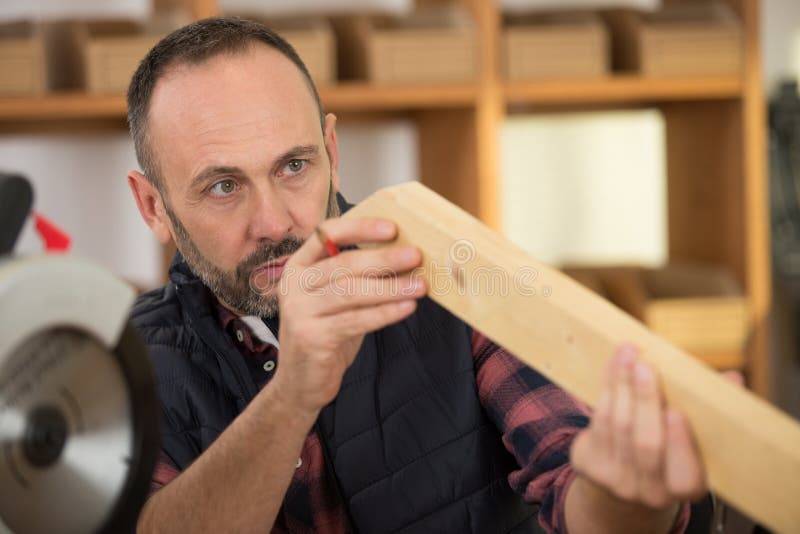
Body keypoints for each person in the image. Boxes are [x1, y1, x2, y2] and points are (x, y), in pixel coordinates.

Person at [126, 17, 712, 533]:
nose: (274, 221)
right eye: (224, 186)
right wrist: (295, 392)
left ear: (332, 149)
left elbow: (578, 486)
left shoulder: (453, 276)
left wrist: (627, 496)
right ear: (153, 206)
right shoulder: (124, 361)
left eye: (295, 166)